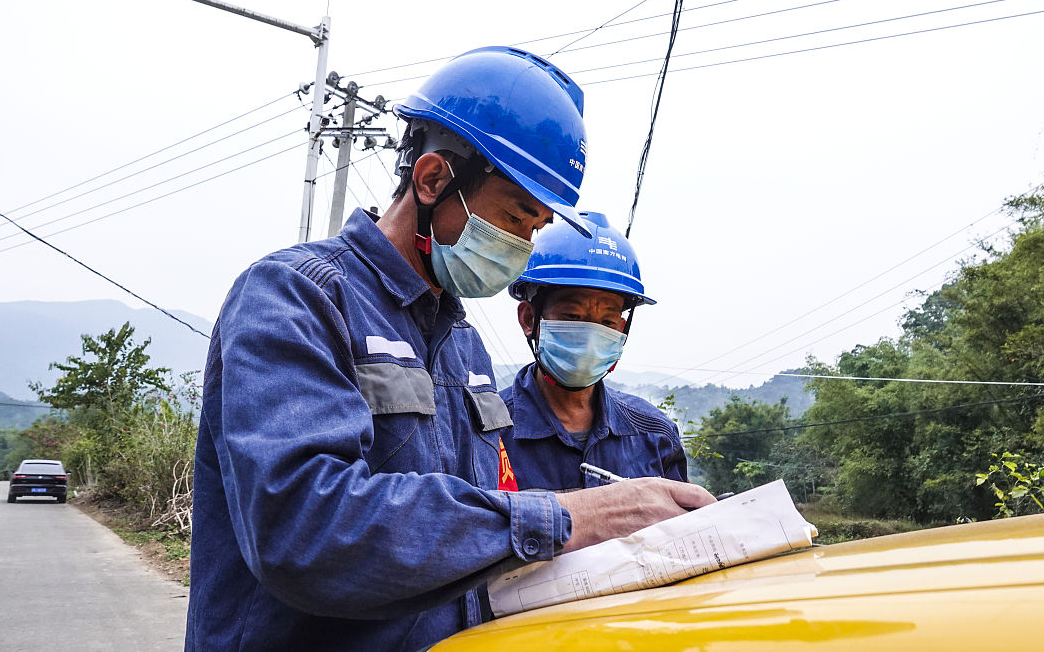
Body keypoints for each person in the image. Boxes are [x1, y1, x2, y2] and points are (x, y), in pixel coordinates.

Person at [185, 46, 714, 651]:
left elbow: (473, 533)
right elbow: (304, 529)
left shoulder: (465, 346)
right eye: (516, 218)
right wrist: (578, 517)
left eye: (537, 227)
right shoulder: (299, 297)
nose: (522, 245)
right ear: (434, 178)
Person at [501, 212, 687, 492]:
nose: (590, 336)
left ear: (621, 330)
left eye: (607, 322)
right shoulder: (488, 433)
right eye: (573, 316)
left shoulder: (656, 436)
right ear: (529, 319)